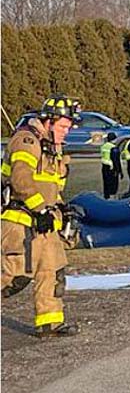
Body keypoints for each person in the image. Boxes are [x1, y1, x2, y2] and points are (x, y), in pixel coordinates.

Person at [1, 94, 81, 337]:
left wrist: (61, 209)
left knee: (53, 271)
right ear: (49, 121)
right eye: (64, 126)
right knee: (13, 277)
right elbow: (21, 179)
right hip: (21, 219)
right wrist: (40, 209)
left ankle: (50, 323)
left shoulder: (54, 149)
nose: (67, 131)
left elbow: (52, 187)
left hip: (45, 224)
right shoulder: (27, 140)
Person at [99, 132, 123, 199]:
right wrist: (119, 171)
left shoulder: (104, 146)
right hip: (112, 168)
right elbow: (116, 160)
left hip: (104, 166)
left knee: (106, 183)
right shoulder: (113, 148)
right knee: (113, 184)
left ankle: (106, 197)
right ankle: (112, 197)